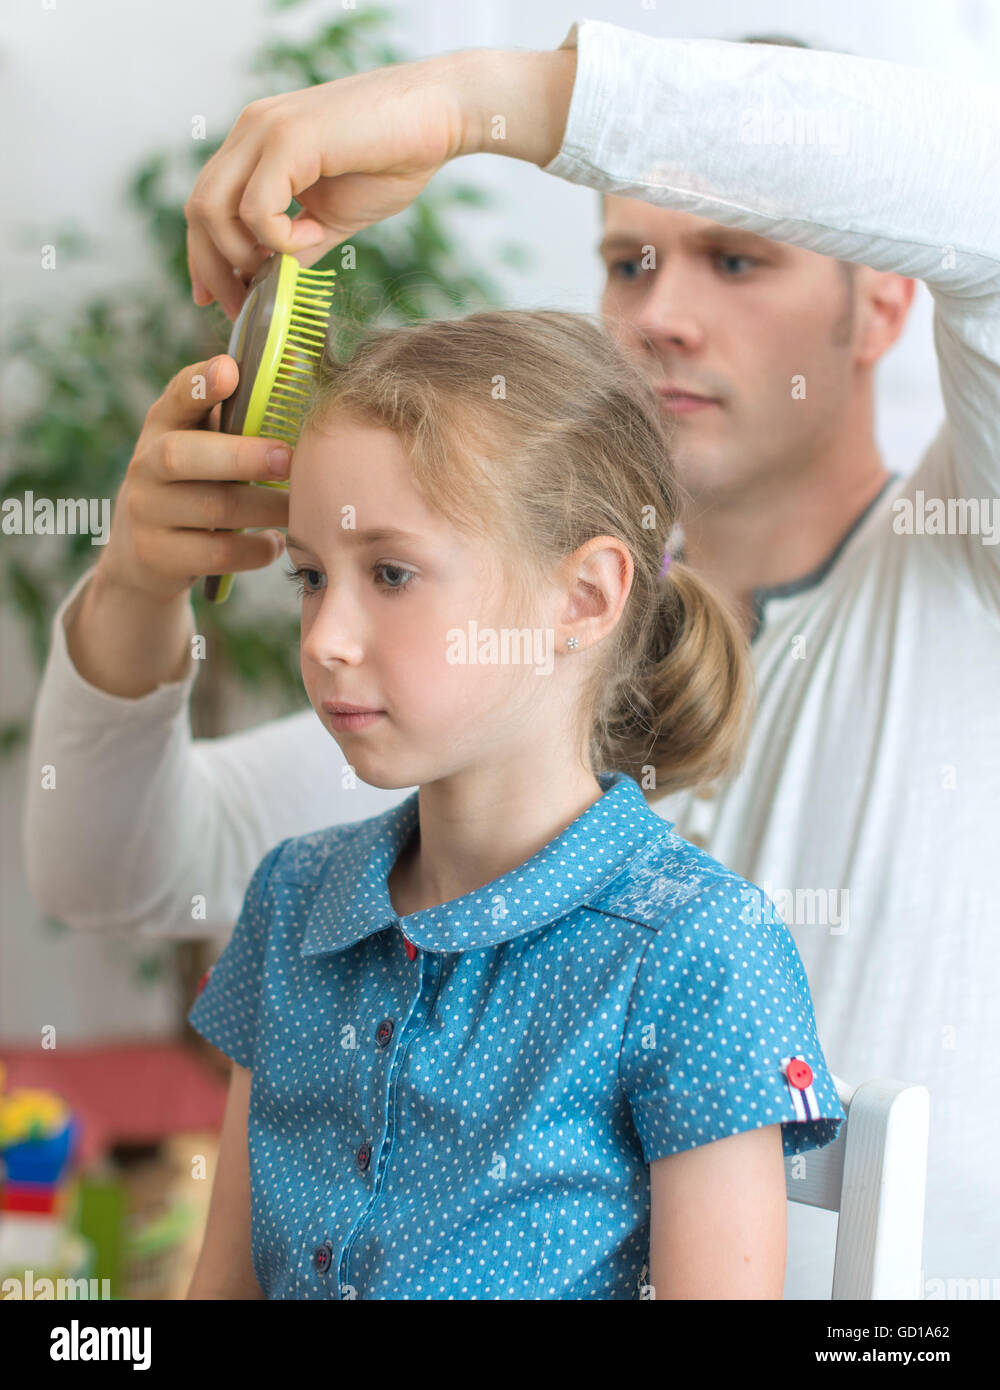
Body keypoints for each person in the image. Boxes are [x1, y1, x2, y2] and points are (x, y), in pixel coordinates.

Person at [22, 20, 1000, 1297]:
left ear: (884, 291)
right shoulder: (462, 683)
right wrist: (143, 581)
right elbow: (110, 873)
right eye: (627, 262)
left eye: (736, 257)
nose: (659, 313)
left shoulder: (964, 561)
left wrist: (475, 102)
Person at [182, 306, 844, 1299]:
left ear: (582, 598)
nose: (323, 637)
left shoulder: (699, 947)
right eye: (310, 577)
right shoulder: (294, 897)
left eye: (391, 573)